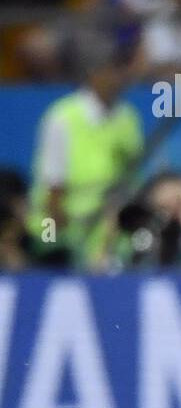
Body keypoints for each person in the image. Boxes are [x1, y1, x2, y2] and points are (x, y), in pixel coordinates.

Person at [27, 35, 143, 266]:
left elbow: (133, 170)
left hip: (109, 224)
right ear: (93, 74)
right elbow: (53, 182)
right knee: (52, 260)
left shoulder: (127, 117)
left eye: (120, 69)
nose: (119, 78)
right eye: (112, 70)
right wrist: (56, 235)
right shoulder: (62, 117)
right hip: (61, 222)